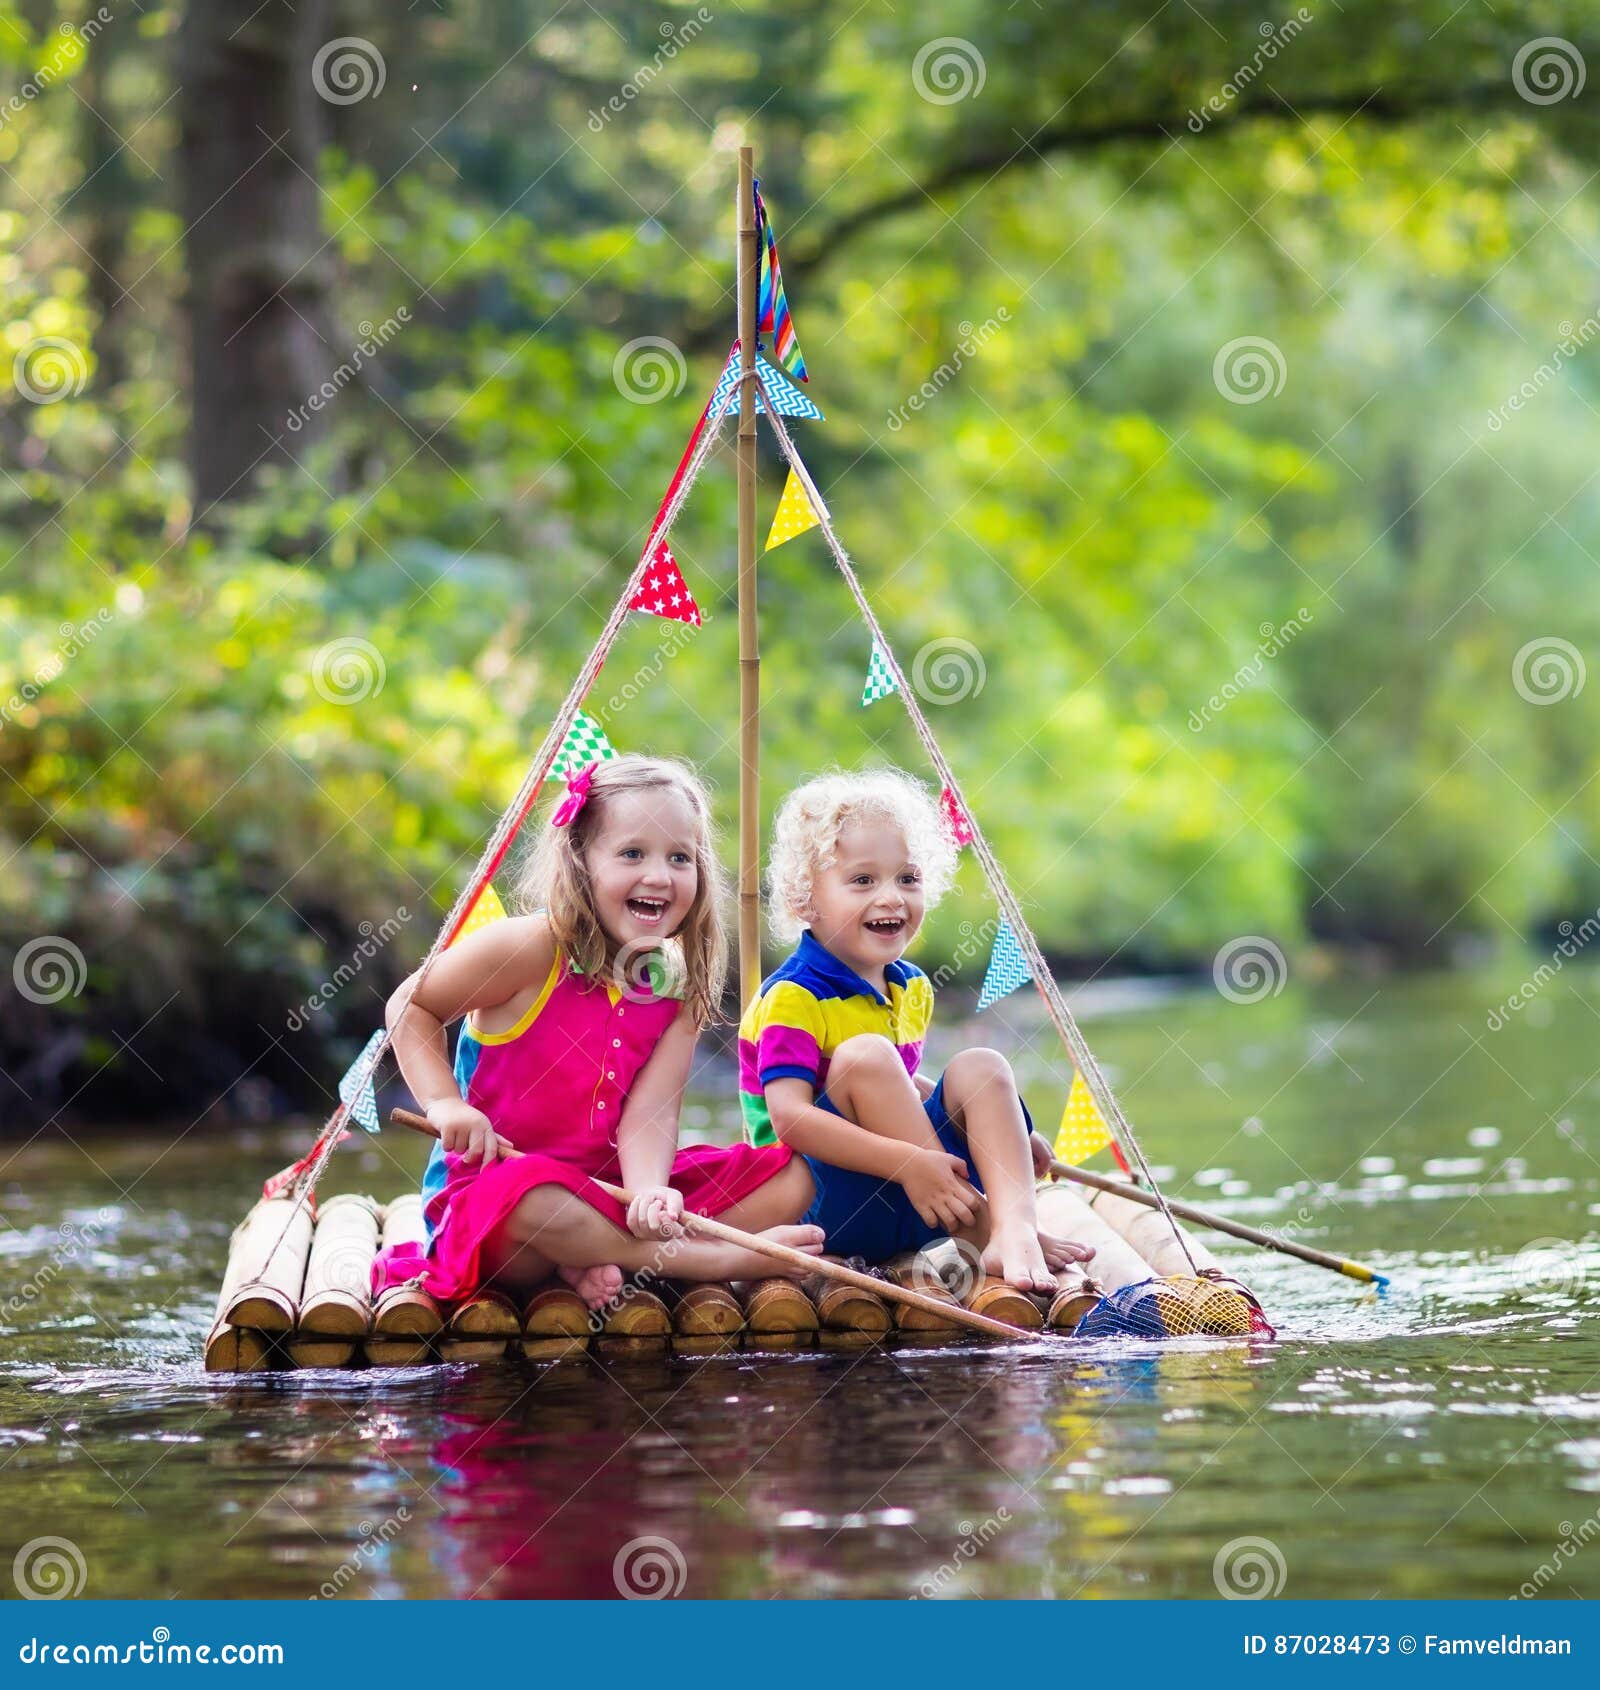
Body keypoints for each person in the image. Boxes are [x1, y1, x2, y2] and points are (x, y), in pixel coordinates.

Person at [375, 754, 821, 1310]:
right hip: (500, 1202)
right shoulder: (529, 948)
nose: (658, 875)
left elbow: (649, 1115)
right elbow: (409, 1007)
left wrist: (649, 1192)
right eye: (633, 853)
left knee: (794, 1174)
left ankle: (600, 1254)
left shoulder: (673, 982)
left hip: (606, 1192)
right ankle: (714, 1257)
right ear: (581, 859)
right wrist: (445, 1105)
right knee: (534, 1202)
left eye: (679, 857)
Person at [738, 768, 1094, 1293]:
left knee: (981, 1065)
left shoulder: (912, 987)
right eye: (863, 880)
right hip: (822, 1202)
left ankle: (1014, 1229)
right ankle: (983, 1224)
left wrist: (1005, 1137)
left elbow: (904, 1089)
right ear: (805, 900)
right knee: (867, 1057)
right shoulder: (793, 996)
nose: (892, 897)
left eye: (908, 878)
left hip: (919, 1195)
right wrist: (910, 1163)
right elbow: (789, 1119)